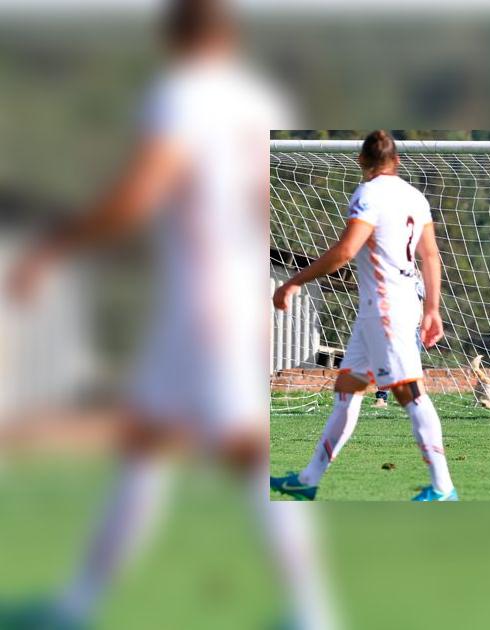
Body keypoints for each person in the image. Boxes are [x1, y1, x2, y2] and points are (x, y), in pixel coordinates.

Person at [4, 1, 334, 627]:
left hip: (201, 311)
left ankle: (312, 611)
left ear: (172, 35)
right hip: (225, 301)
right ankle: (78, 602)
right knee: (146, 444)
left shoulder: (182, 97)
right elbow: (254, 208)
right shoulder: (255, 101)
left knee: (242, 453)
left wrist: (56, 246)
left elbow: (139, 196)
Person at [270, 130, 457, 502]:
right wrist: (432, 308)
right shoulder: (414, 196)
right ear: (397, 161)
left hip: (386, 308)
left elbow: (345, 251)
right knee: (347, 390)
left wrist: (294, 281)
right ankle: (308, 479)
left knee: (409, 391)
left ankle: (443, 486)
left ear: (361, 161)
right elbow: (431, 255)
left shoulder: (368, 194)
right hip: (391, 306)